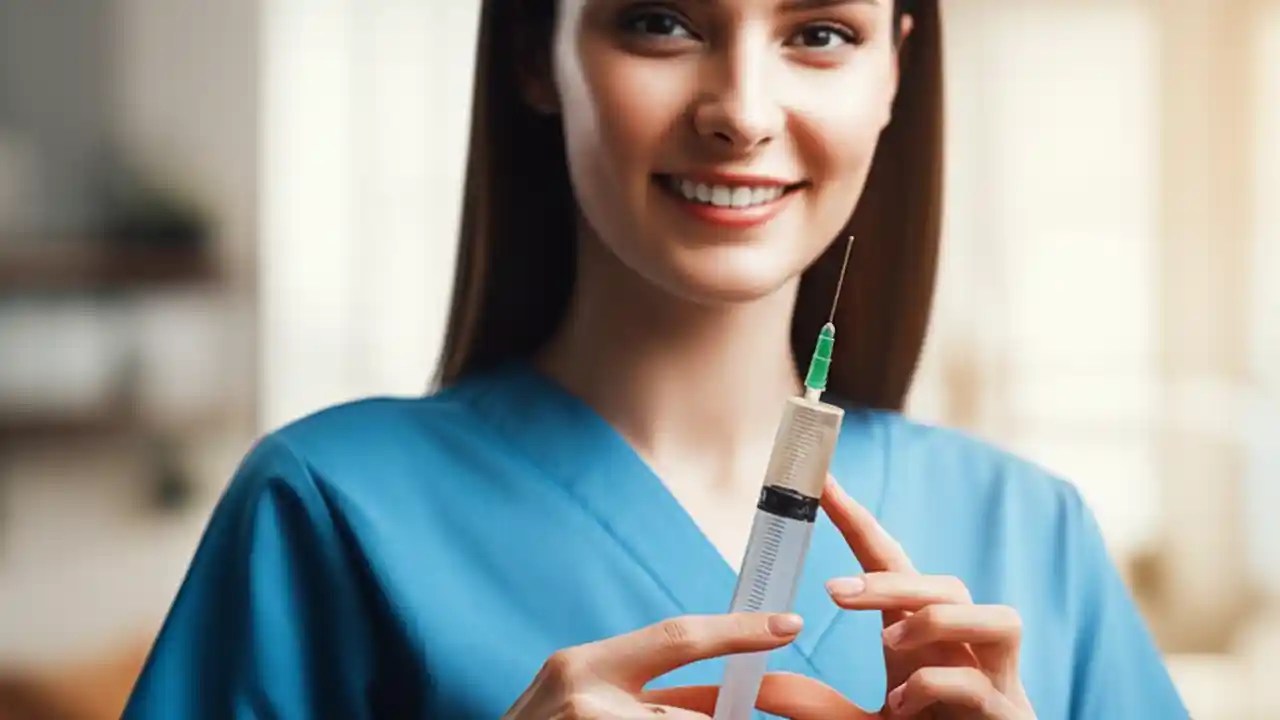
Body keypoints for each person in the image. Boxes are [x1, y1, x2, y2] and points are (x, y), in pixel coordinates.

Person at [125, 0, 1188, 718]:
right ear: (535, 52)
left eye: (819, 33)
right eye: (659, 22)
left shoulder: (1032, 533)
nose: (741, 113)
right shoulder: (330, 510)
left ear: (894, 71)